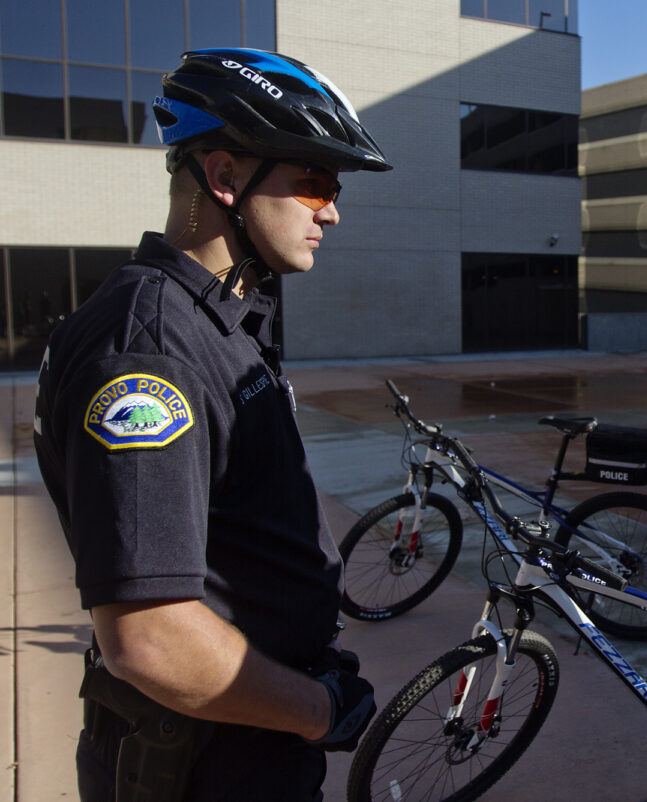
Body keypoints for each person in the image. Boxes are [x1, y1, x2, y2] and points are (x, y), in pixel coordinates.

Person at [33, 48, 392, 801]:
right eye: (314, 180)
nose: (331, 209)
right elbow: (150, 635)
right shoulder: (149, 352)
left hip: (240, 742)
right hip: (200, 766)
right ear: (226, 178)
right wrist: (317, 709)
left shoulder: (215, 322)